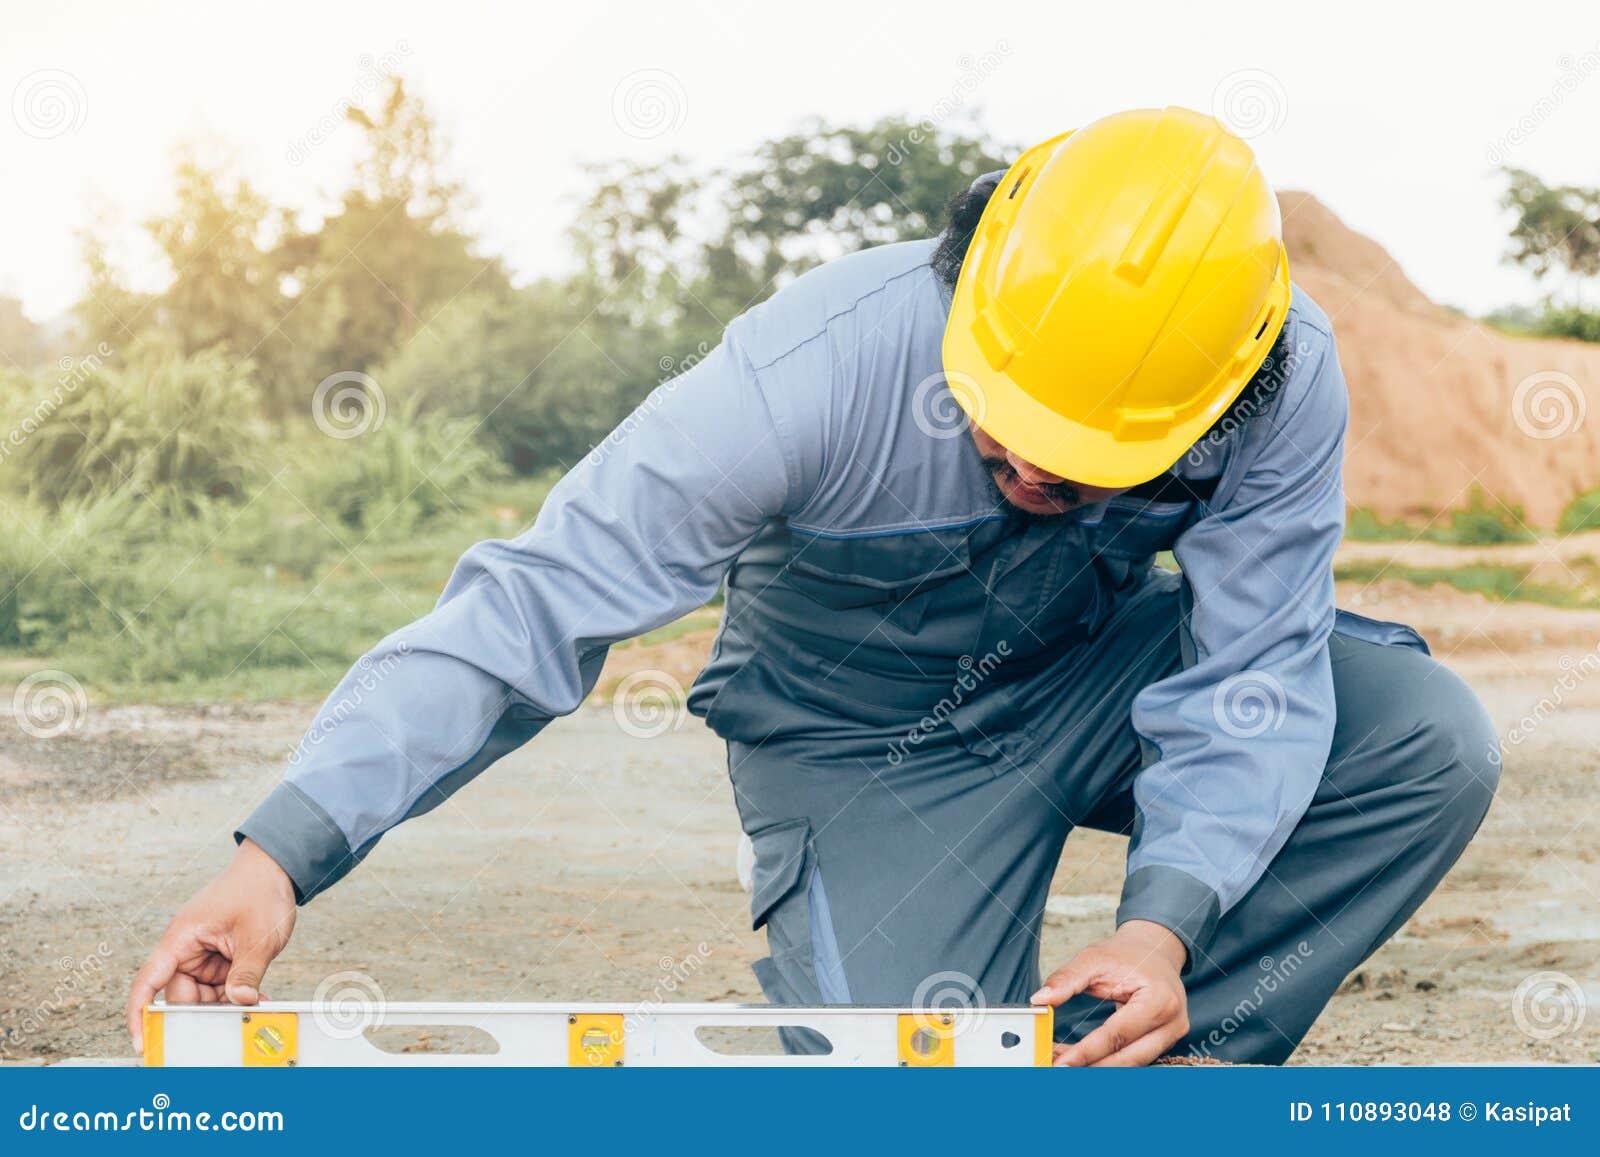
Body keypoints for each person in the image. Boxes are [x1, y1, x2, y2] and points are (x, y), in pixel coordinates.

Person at [128, 106, 1499, 1066]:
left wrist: (1163, 931)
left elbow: (1255, 664)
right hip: (861, 751)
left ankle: (1149, 1079)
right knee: (910, 1099)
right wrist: (274, 859)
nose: (1031, 463)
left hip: (1088, 681)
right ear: (976, 288)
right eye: (1008, 414)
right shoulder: (802, 378)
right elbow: (536, 602)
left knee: (1426, 739)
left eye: (1090, 453)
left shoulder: (1274, 377)